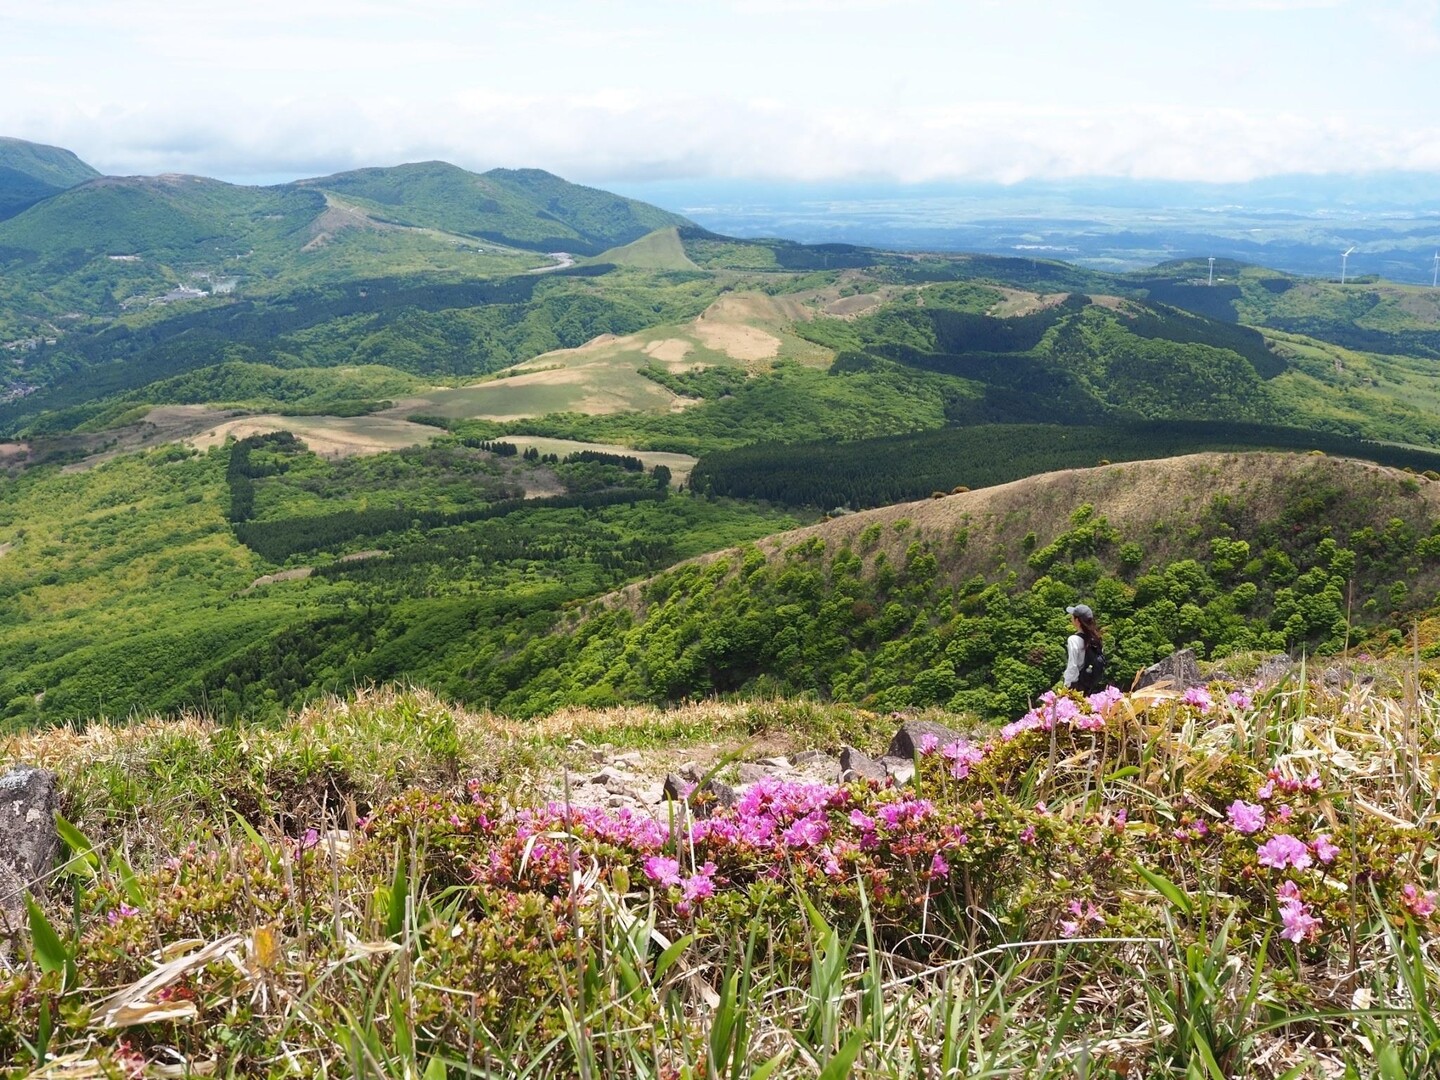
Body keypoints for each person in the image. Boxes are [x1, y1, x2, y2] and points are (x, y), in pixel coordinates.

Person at [1063, 603, 1104, 692]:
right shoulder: (1096, 639)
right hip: (1091, 686)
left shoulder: (1073, 639)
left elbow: (1073, 666)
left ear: (1077, 620)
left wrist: (1066, 687)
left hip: (1076, 686)